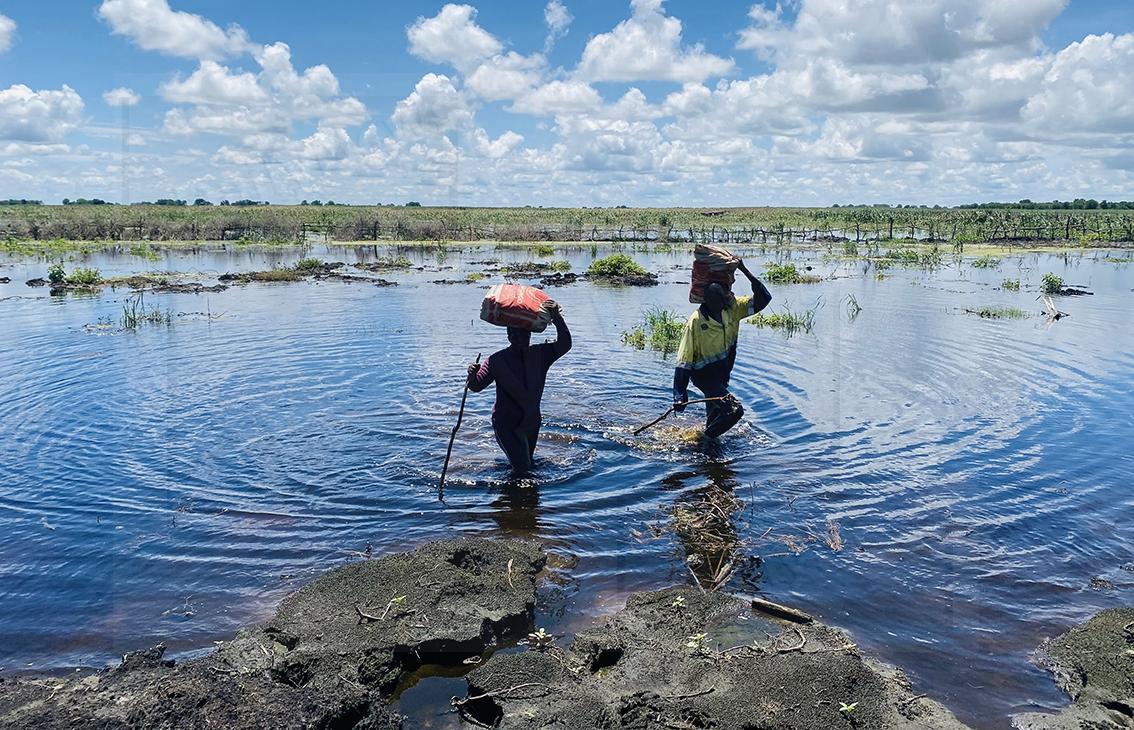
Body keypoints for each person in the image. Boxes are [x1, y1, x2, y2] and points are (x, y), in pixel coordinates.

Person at [467, 302, 571, 473]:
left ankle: (520, 498)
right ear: (508, 336)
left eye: (522, 334)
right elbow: (476, 386)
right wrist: (471, 374)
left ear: (529, 335)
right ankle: (514, 498)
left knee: (526, 465)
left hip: (531, 422)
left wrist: (557, 317)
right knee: (523, 469)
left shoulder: (541, 354)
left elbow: (565, 344)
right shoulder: (496, 361)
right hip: (507, 425)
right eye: (513, 334)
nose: (518, 338)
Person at [672, 261, 771, 438]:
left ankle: (707, 453)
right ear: (709, 301)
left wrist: (744, 270)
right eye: (720, 301)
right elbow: (683, 359)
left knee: (717, 416)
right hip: (704, 376)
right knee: (735, 410)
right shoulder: (696, 322)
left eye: (725, 299)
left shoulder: (732, 309)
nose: (725, 303)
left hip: (722, 374)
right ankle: (702, 440)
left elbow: (764, 298)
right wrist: (680, 394)